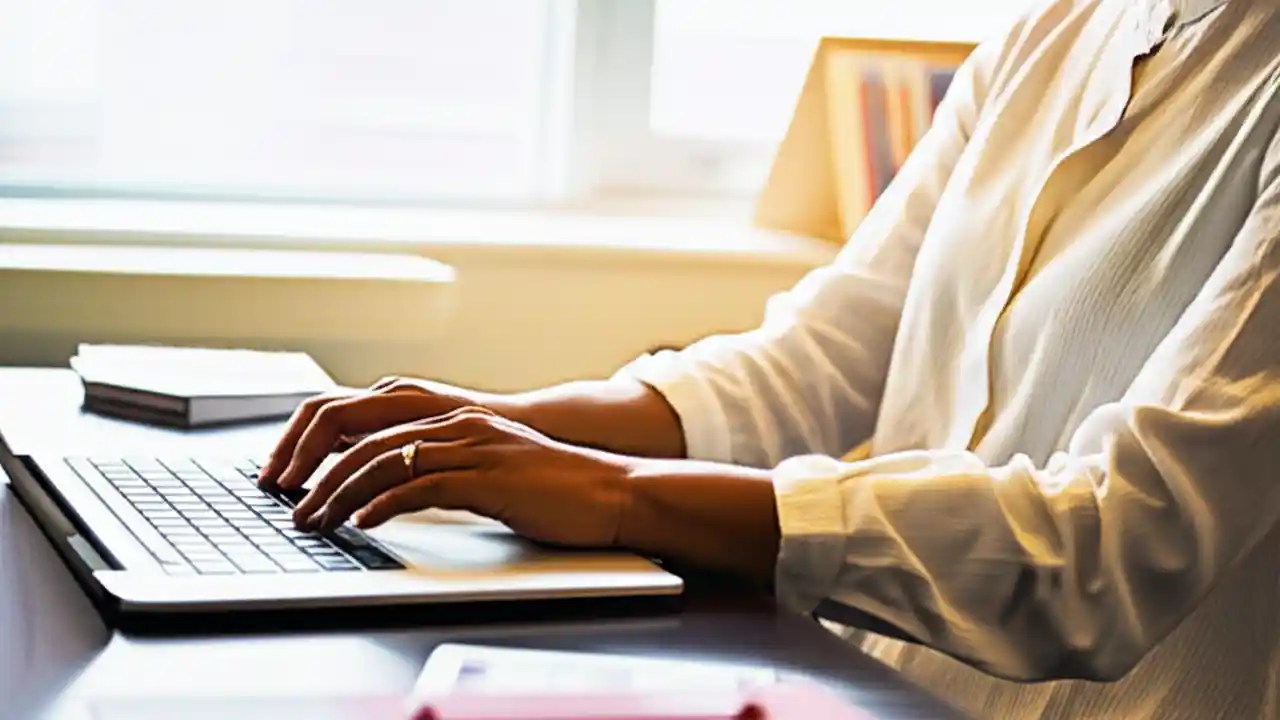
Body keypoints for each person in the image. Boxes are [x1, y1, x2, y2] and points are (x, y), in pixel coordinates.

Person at [259, 0, 1280, 717]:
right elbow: (818, 361)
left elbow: (1111, 549)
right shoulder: (1052, 34)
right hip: (867, 689)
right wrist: (500, 427)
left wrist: (614, 493)